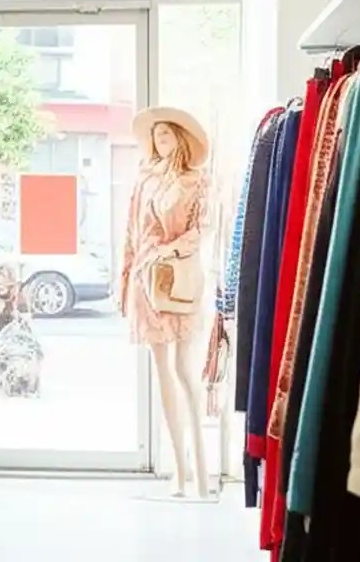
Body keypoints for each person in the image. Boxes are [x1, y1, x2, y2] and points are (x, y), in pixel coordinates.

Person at [119, 106, 212, 497]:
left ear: (180, 138)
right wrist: (125, 278)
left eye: (166, 134)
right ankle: (179, 469)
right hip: (146, 281)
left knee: (184, 372)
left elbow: (200, 230)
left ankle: (202, 469)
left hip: (178, 281)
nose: (159, 141)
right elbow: (131, 232)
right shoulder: (144, 179)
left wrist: (168, 251)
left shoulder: (196, 181)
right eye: (155, 136)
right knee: (163, 374)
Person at [0, 263, 44, 398]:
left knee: (27, 353)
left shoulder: (18, 295)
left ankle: (22, 383)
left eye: (4, 284)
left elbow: (26, 321)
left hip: (14, 337)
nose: (0, 287)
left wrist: (19, 316)